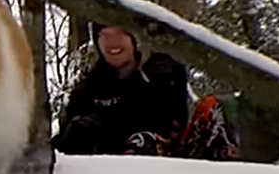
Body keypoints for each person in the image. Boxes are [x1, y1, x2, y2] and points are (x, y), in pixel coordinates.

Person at [52, 24, 189, 157]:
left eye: (120, 33)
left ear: (134, 38)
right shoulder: (86, 90)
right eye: (105, 35)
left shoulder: (161, 77)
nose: (112, 42)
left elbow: (168, 128)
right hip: (97, 172)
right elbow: (65, 144)